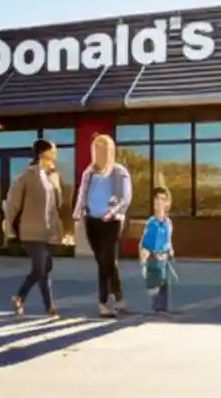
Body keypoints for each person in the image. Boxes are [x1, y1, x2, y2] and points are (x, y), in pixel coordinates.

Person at [73, 133, 132, 318]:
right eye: (97, 149)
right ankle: (106, 303)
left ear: (111, 151)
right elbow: (82, 194)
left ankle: (113, 297)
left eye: (105, 149)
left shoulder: (119, 171)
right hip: (92, 221)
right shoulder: (88, 173)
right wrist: (78, 211)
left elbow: (125, 197)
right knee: (101, 261)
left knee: (109, 260)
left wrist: (112, 212)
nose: (101, 153)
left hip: (111, 221)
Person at [4, 138, 64, 319]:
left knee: (45, 269)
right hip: (31, 230)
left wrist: (56, 181)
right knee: (39, 268)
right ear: (42, 154)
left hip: (46, 231)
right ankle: (20, 297)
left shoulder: (49, 176)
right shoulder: (27, 175)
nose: (55, 155)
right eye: (52, 152)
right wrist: (9, 227)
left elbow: (58, 204)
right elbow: (12, 203)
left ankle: (49, 307)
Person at [139, 186, 175, 314]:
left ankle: (162, 307)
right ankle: (156, 305)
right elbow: (146, 241)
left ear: (167, 203)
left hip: (164, 257)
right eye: (157, 199)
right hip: (153, 257)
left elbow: (168, 238)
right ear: (154, 203)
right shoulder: (151, 223)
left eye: (163, 199)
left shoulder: (168, 223)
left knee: (164, 282)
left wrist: (170, 249)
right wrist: (145, 254)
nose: (160, 202)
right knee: (154, 282)